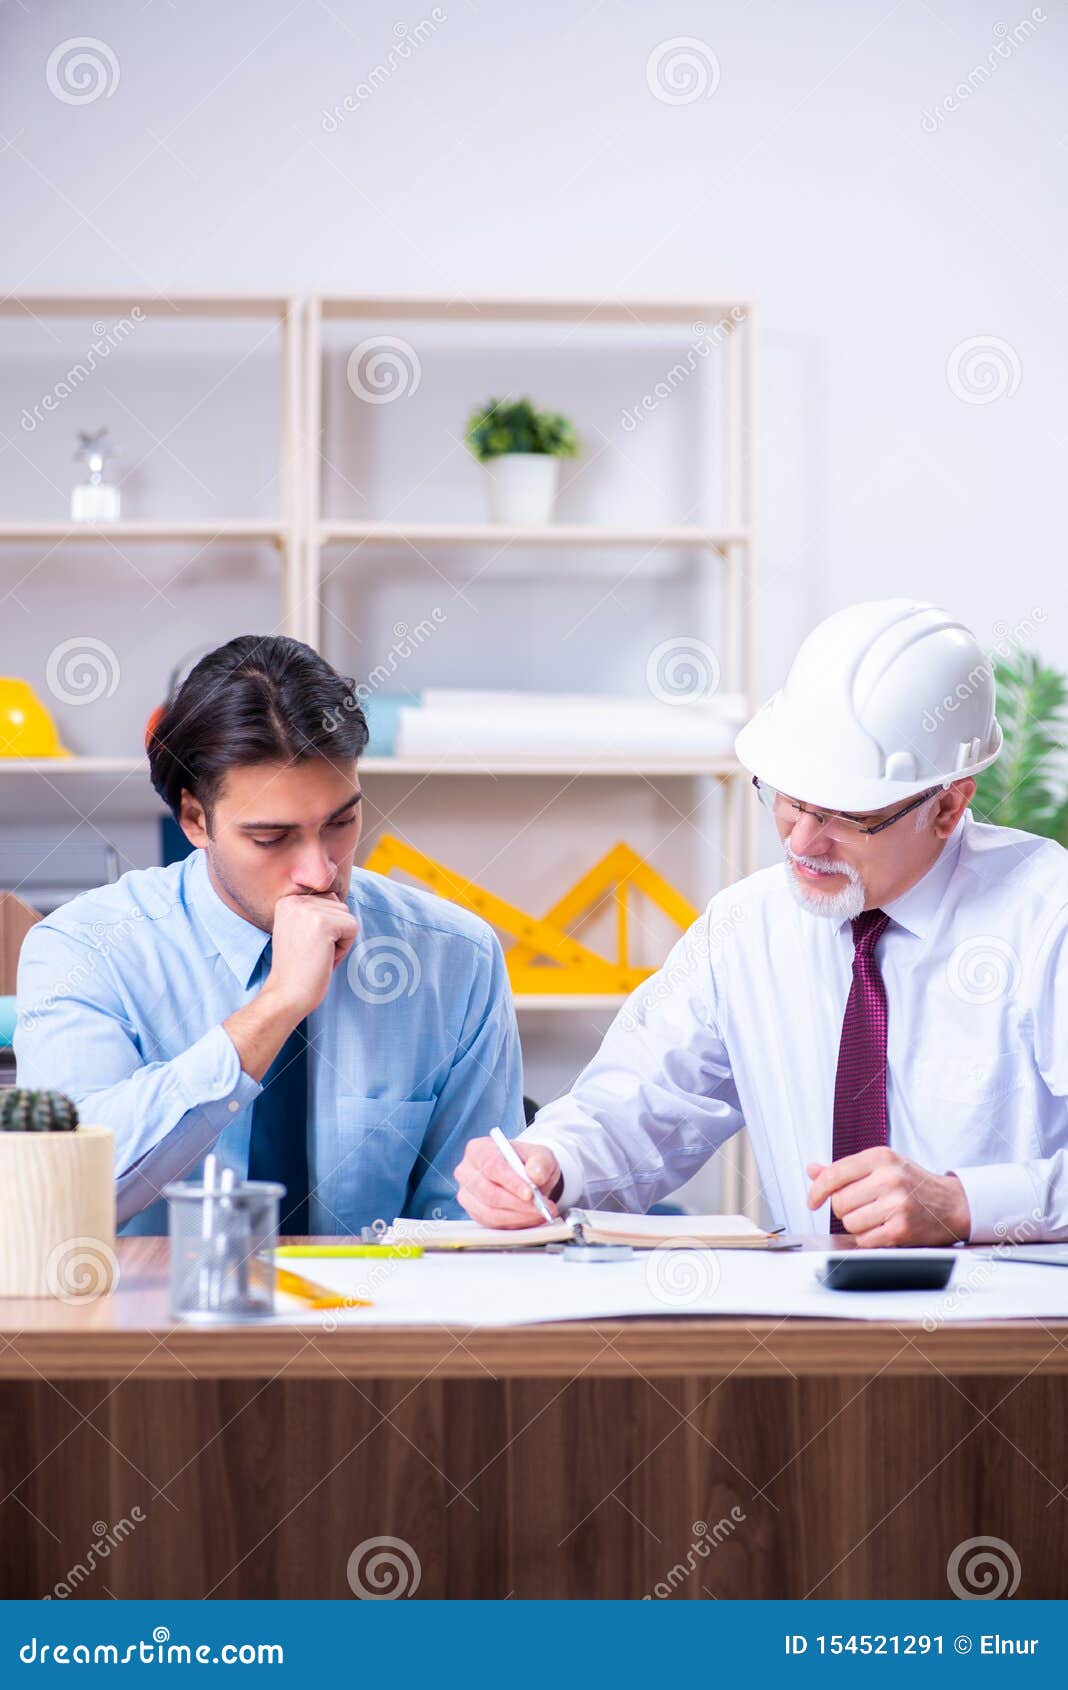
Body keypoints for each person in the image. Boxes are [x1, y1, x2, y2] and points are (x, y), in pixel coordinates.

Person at [455, 599, 1068, 1247]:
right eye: (786, 799)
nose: (801, 841)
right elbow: (640, 1101)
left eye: (843, 816)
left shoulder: (1046, 916)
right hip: (813, 1329)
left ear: (946, 807)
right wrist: (551, 1163)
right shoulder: (748, 926)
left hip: (1020, 1337)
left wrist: (966, 1202)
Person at [15, 635, 523, 1235]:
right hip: (145, 1323)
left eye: (341, 822)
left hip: (373, 1322)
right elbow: (65, 1201)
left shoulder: (454, 958)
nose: (320, 873)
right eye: (271, 838)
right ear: (196, 821)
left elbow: (471, 1231)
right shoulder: (83, 947)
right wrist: (276, 1007)